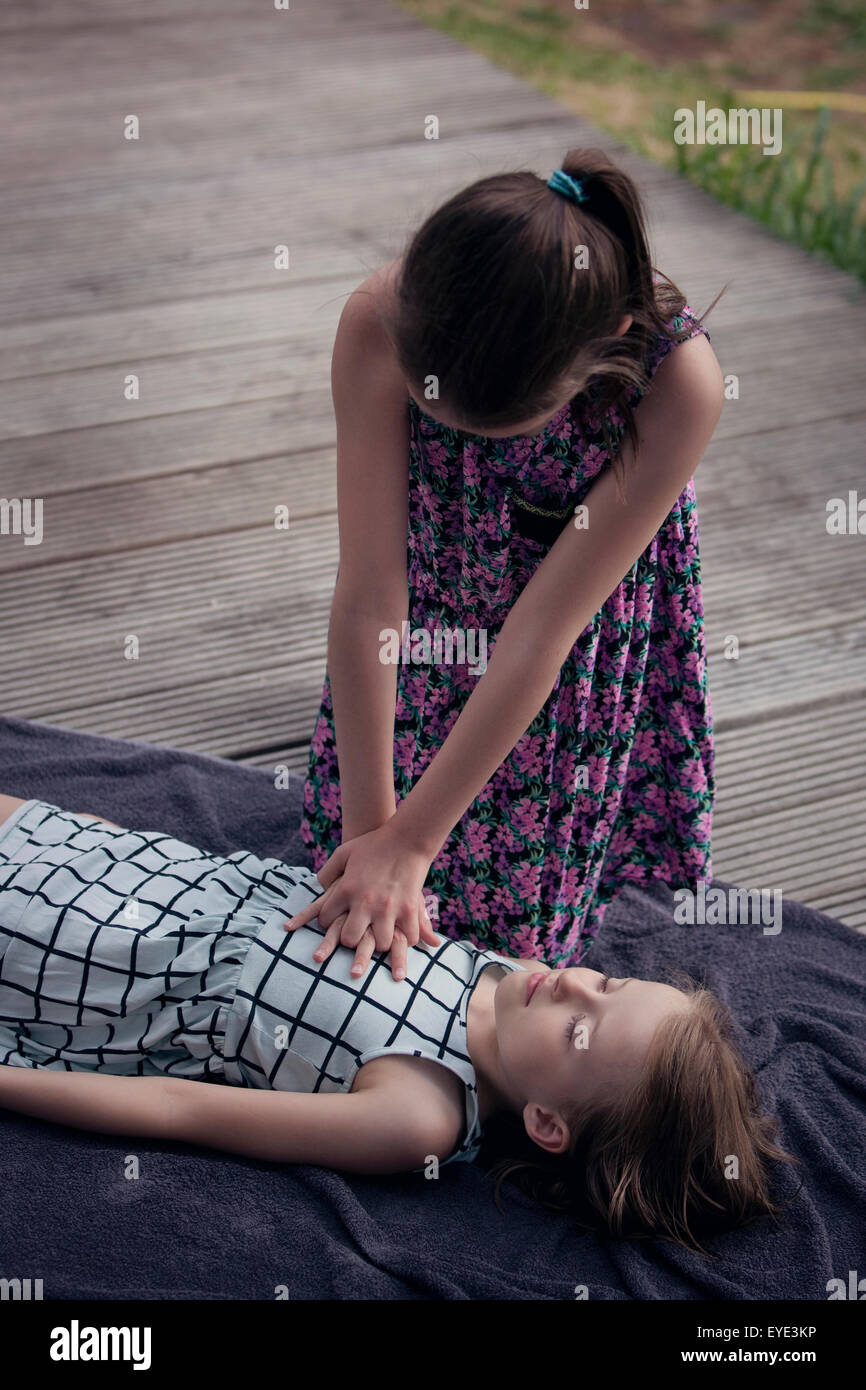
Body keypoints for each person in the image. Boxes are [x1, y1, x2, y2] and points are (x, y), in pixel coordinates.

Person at [0, 796, 799, 1256]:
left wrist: (10, 1083)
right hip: (158, 871)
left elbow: (188, 1110)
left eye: (577, 1031)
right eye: (607, 981)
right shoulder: (513, 976)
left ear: (548, 1124)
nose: (570, 985)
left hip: (97, 958)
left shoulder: (423, 1111)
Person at [298, 148, 725, 980]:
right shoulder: (383, 318)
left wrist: (416, 841)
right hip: (435, 576)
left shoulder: (678, 382)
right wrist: (371, 839)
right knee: (358, 851)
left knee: (507, 927)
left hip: (568, 606)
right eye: (434, 410)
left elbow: (539, 634)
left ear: (606, 350)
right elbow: (370, 597)